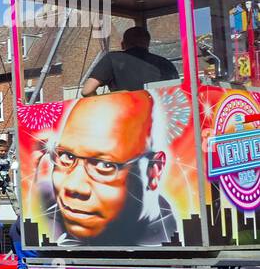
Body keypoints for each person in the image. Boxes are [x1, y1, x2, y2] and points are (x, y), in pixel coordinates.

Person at [42, 90, 176, 246]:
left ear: (154, 171)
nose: (73, 186)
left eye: (104, 165)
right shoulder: (49, 219)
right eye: (67, 156)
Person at [81, 25, 178, 96]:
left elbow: (87, 91)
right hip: (159, 119)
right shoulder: (166, 63)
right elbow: (175, 94)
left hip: (126, 118)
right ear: (148, 44)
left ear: (123, 44)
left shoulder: (113, 58)